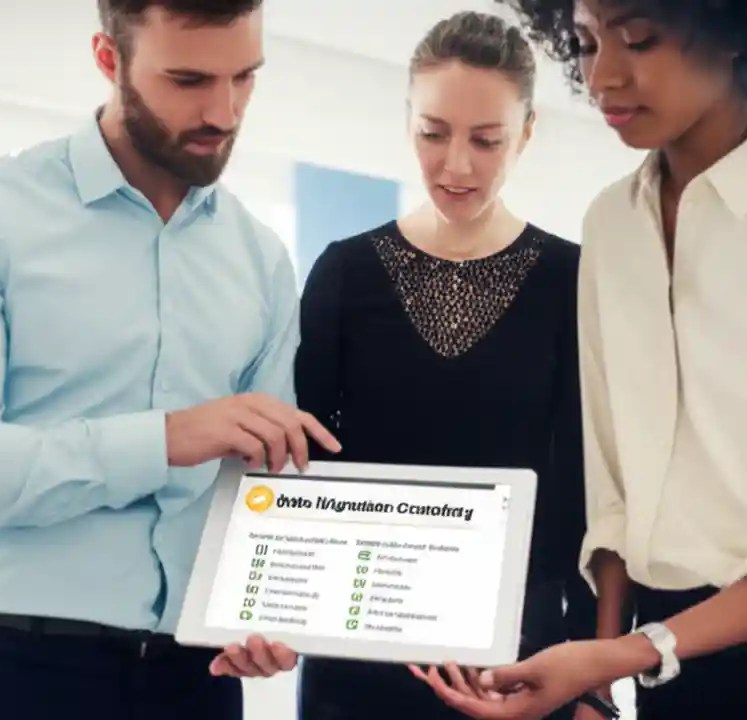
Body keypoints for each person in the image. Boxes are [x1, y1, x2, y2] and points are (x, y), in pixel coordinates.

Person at [414, 0, 747, 718]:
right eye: (585, 42)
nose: (601, 76)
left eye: (639, 39)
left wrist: (627, 656)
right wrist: (598, 688)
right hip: (667, 680)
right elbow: (615, 493)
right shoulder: (612, 224)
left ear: (737, 29)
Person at [0, 1, 337, 718]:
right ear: (108, 58)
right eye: (188, 79)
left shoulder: (261, 259)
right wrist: (164, 439)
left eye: (245, 76)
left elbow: (263, 491)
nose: (224, 112)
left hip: (197, 683)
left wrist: (269, 612)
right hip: (10, 672)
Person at [206, 11, 597, 719]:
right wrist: (262, 610)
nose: (456, 165)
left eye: (487, 140)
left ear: (527, 133)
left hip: (516, 667)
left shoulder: (573, 281)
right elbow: (295, 468)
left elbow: (588, 493)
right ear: (407, 122)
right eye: (433, 133)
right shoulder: (345, 274)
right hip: (358, 664)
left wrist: (592, 682)